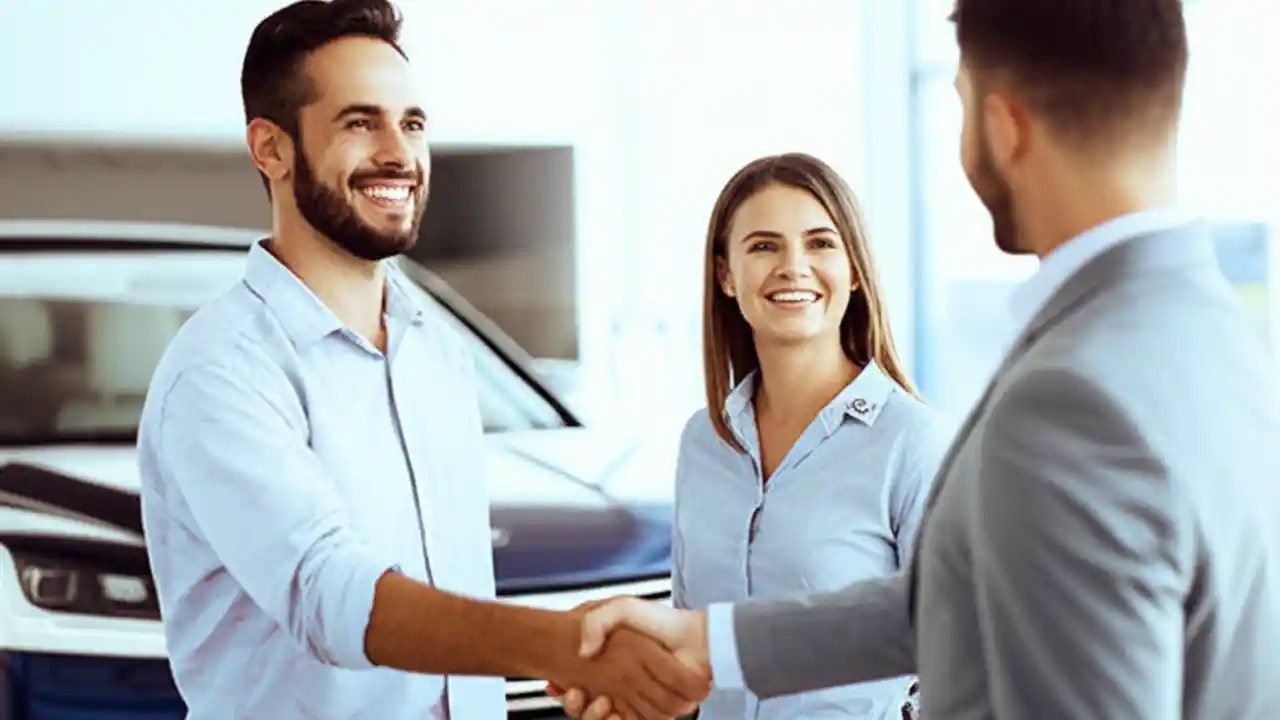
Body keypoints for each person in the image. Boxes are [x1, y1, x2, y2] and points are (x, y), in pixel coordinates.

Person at [560, 0, 1280, 718]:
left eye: (962, 106)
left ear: (1004, 128)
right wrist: (708, 641)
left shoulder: (1071, 396)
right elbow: (960, 605)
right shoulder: (1212, 337)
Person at [135, 1, 708, 718]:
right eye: (359, 121)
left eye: (411, 123)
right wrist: (561, 645)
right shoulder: (220, 372)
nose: (398, 154)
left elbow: (456, 599)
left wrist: (585, 662)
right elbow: (328, 593)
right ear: (271, 149)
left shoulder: (435, 349)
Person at [553, 153, 950, 719]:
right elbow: (690, 638)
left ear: (854, 270)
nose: (794, 267)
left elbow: (956, 650)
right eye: (764, 246)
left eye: (820, 244)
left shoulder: (914, 443)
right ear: (726, 275)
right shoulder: (703, 441)